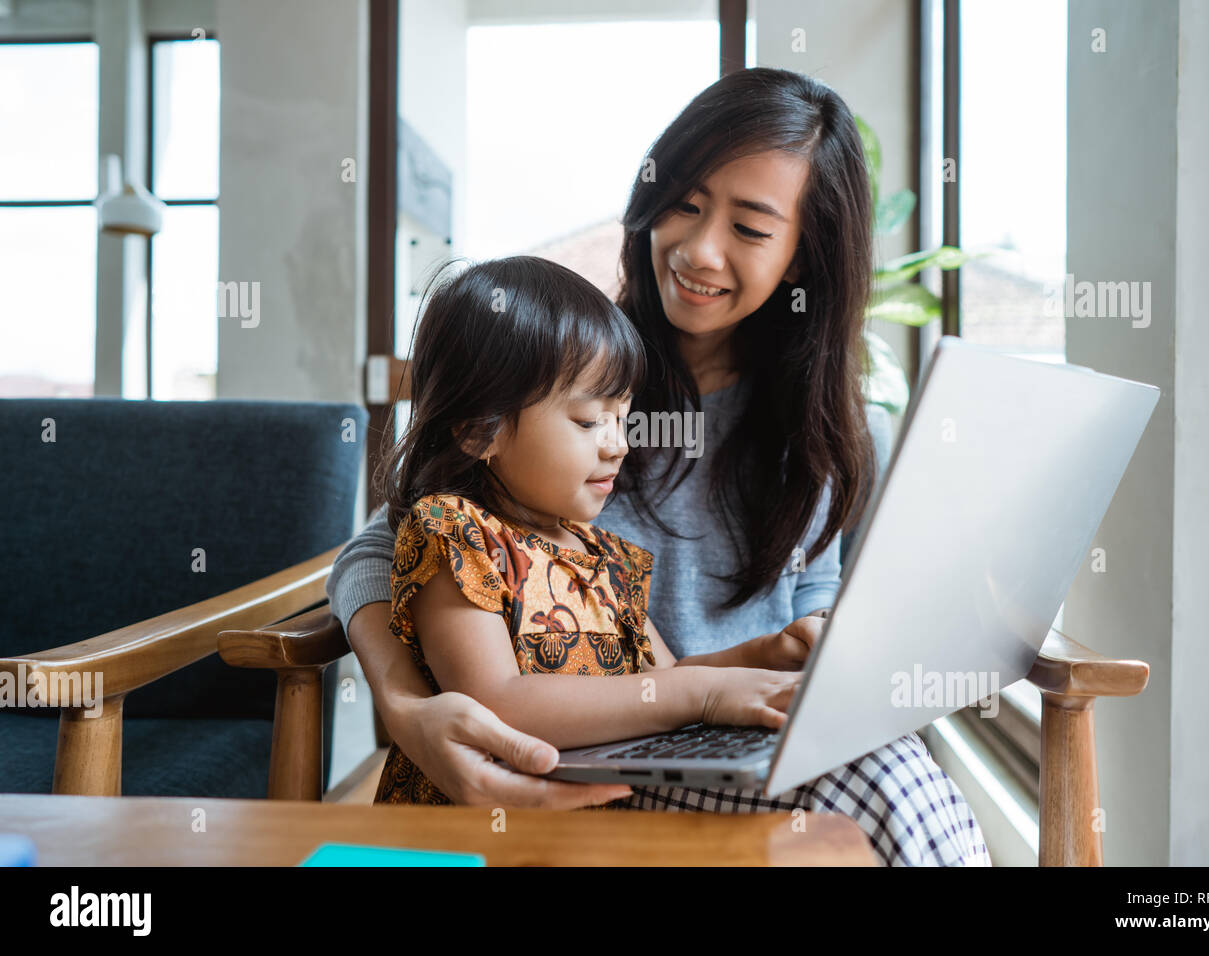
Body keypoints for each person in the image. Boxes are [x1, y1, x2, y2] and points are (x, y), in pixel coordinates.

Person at [328, 66, 990, 865]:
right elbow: (395, 536)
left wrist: (785, 654)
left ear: (804, 257)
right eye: (684, 202)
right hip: (598, 760)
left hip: (722, 739)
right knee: (885, 789)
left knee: (887, 782)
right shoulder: (568, 369)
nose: (699, 249)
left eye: (749, 229)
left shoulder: (816, 432)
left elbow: (763, 626)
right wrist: (402, 703)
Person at [370, 254, 803, 804]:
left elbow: (668, 673)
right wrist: (700, 693)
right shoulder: (457, 536)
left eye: (623, 418)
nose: (617, 443)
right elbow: (496, 701)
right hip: (475, 832)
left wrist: (766, 653)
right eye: (587, 420)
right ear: (481, 431)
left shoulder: (604, 556)